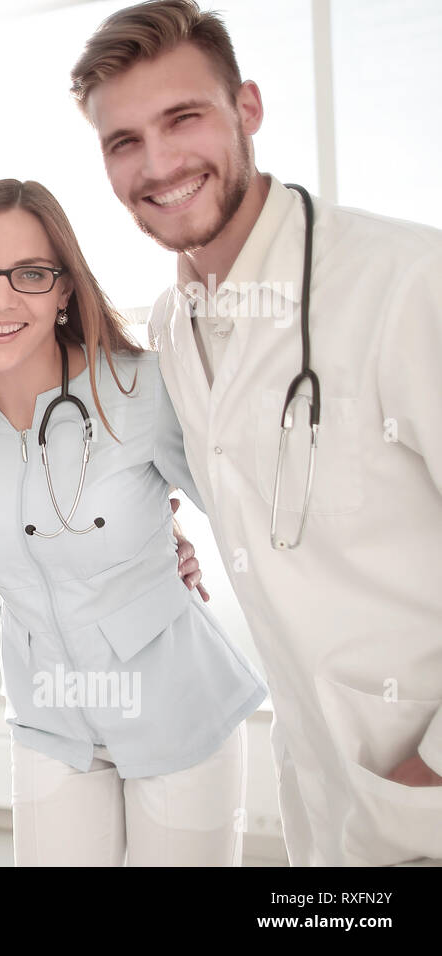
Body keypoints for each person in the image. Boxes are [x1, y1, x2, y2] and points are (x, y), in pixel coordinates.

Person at [71, 0, 442, 865]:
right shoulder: (171, 327)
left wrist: (431, 768)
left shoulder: (406, 284)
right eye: (123, 141)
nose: (158, 165)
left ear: (248, 109)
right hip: (324, 806)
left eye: (183, 119)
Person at [0, 178, 265, 865]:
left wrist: (169, 546)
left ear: (65, 289)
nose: (0, 298)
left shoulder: (142, 389)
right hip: (52, 725)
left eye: (31, 274)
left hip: (179, 717)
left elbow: (248, 518)